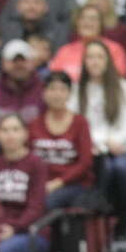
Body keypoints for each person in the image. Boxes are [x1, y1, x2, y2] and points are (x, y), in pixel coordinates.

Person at [69, 40, 126, 233]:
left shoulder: (122, 86)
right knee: (104, 168)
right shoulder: (77, 90)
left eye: (100, 57)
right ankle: (101, 225)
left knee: (120, 168)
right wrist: (98, 143)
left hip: (121, 148)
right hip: (91, 150)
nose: (95, 61)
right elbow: (75, 123)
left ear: (108, 60)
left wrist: (115, 141)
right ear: (84, 62)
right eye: (90, 57)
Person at [0, 114, 48, 252]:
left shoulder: (36, 164)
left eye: (15, 129)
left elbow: (36, 206)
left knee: (3, 250)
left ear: (25, 134)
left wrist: (14, 228)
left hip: (30, 232)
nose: (10, 135)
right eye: (4, 130)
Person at [28, 71, 95, 210]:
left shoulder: (80, 123)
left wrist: (58, 182)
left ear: (69, 93)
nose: (57, 94)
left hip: (73, 184)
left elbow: (85, 162)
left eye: (62, 89)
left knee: (46, 201)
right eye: (52, 89)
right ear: (44, 93)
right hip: (41, 183)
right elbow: (28, 158)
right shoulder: (34, 124)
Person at [48, 5, 126, 82]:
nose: (87, 22)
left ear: (101, 24)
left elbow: (119, 76)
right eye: (82, 18)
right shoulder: (65, 50)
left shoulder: (114, 49)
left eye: (93, 19)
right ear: (77, 23)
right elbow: (55, 78)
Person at [0, 40, 45, 134]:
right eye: (14, 61)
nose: (19, 65)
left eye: (23, 60)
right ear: (3, 63)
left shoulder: (44, 92)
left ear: (32, 62)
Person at [0, 0, 70, 51]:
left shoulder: (58, 32)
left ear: (46, 7)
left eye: (37, 2)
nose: (31, 6)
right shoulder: (6, 31)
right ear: (18, 7)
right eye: (26, 1)